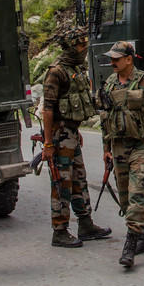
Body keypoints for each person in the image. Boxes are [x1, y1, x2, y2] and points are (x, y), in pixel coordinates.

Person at [97, 40, 144, 269]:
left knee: (138, 195)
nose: (112, 62)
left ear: (129, 59)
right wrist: (105, 150)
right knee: (125, 199)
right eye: (111, 58)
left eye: (116, 58)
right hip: (118, 147)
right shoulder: (110, 83)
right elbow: (105, 119)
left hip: (142, 145)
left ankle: (129, 246)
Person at [42, 25, 112, 248]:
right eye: (80, 44)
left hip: (71, 133)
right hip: (60, 135)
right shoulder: (57, 72)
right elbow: (48, 110)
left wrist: (76, 130)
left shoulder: (76, 68)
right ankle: (60, 231)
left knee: (79, 179)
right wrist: (48, 142)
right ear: (70, 46)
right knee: (62, 183)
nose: (84, 48)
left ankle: (85, 223)